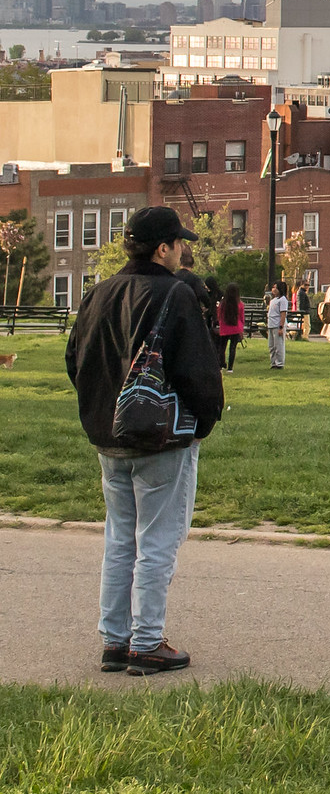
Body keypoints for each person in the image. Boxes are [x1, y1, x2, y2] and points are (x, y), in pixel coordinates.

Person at [65, 207, 223, 677]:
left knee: (119, 538)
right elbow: (198, 370)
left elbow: (75, 360)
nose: (183, 250)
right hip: (161, 436)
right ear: (162, 248)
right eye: (179, 242)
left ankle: (115, 639)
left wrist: (100, 408)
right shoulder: (175, 294)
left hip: (107, 435)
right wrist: (203, 421)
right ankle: (147, 641)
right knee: (157, 539)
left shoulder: (98, 293)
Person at [215, 283, 245, 373]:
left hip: (225, 327)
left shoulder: (223, 304)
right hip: (236, 327)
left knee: (222, 347)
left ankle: (221, 365)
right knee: (232, 348)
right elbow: (242, 318)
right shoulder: (240, 304)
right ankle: (230, 368)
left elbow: (219, 316)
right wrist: (241, 329)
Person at [264, 282, 289, 370]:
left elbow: (283, 314)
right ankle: (273, 362)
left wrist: (281, 327)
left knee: (278, 345)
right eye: (273, 287)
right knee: (271, 345)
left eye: (276, 288)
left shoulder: (283, 300)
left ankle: (279, 363)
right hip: (271, 325)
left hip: (277, 325)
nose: (273, 289)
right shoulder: (273, 300)